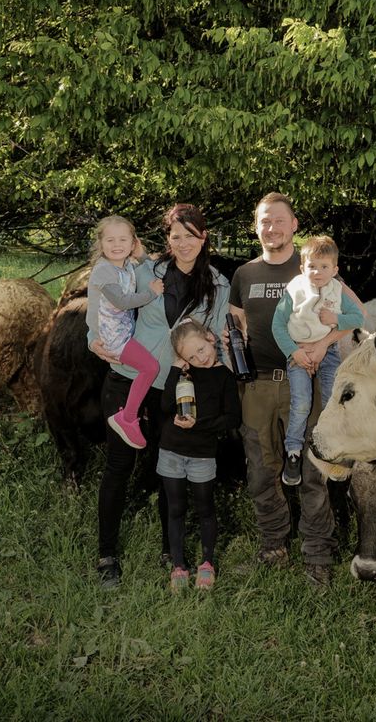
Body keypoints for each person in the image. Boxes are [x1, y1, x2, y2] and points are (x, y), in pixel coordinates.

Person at [91, 204, 231, 588]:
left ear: (204, 238)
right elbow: (104, 305)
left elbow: (213, 341)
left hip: (177, 387)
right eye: (176, 235)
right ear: (167, 239)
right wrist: (93, 339)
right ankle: (107, 554)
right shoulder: (144, 271)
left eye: (191, 235)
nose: (183, 243)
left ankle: (171, 551)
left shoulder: (219, 284)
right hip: (130, 378)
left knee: (168, 466)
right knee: (119, 466)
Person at [226, 192, 356, 587]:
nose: (272, 228)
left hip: (310, 382)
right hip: (260, 384)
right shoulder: (244, 275)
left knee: (313, 470)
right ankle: (273, 544)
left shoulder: (314, 269)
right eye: (265, 221)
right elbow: (235, 328)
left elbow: (353, 317)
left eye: (280, 220)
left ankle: (317, 552)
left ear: (294, 225)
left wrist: (321, 345)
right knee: (262, 471)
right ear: (256, 227)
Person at [270, 235, 364, 486]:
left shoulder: (337, 290)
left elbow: (357, 318)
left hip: (329, 351)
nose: (318, 272)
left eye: (324, 267)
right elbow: (277, 325)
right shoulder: (294, 290)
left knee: (334, 400)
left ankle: (332, 450)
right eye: (312, 266)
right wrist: (294, 352)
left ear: (335, 270)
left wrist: (335, 318)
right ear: (303, 268)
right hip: (297, 352)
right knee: (301, 403)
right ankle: (293, 451)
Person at [157, 319, 242, 590]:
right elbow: (165, 405)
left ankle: (206, 563)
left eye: (201, 350)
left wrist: (200, 425)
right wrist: (174, 368)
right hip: (171, 449)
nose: (200, 359)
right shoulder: (184, 373)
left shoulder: (225, 377)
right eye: (191, 356)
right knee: (176, 508)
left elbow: (232, 418)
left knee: (205, 507)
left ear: (209, 338)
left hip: (203, 454)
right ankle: (179, 565)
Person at [86, 216, 163, 450]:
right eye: (110, 240)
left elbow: (150, 270)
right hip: (113, 338)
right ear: (101, 244)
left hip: (123, 333)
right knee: (150, 367)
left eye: (123, 239)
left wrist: (142, 256)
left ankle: (130, 415)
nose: (116, 244)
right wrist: (152, 293)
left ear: (133, 243)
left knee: (147, 367)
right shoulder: (103, 271)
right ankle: (127, 417)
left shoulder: (127, 266)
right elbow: (120, 302)